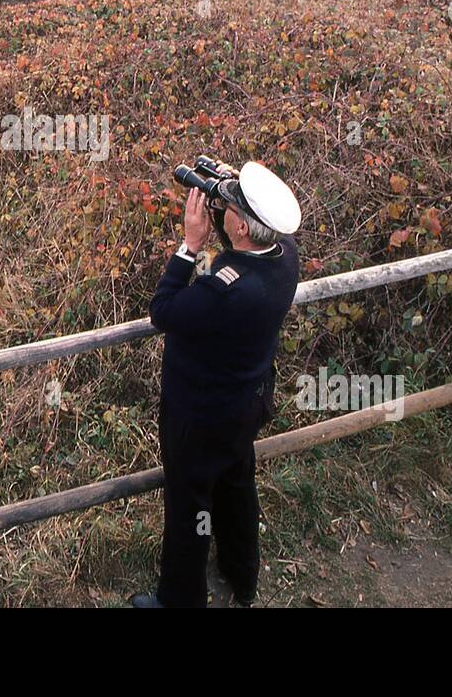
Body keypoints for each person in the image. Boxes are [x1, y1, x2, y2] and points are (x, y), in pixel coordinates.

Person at [130, 160, 301, 608]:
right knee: (237, 486)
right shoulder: (285, 259)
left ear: (241, 228)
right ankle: (241, 577)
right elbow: (261, 236)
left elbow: (163, 309)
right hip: (247, 404)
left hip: (201, 417)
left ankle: (179, 600)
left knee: (190, 506)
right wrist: (236, 185)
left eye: (231, 209)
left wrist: (190, 245)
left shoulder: (227, 290)